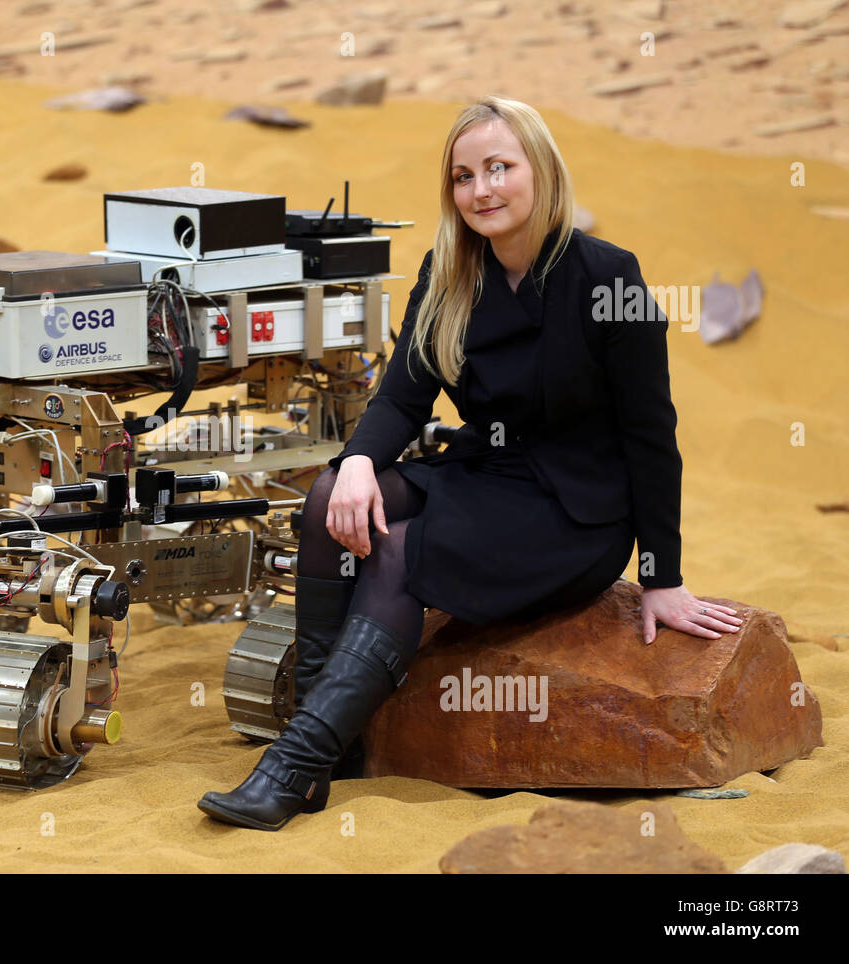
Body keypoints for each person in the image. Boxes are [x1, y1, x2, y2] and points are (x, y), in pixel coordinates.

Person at [198, 94, 744, 832]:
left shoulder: (608, 276)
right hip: (484, 472)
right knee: (331, 500)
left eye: (498, 167)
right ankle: (336, 751)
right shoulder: (451, 271)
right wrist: (358, 461)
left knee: (394, 553)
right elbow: (402, 395)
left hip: (574, 510)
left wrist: (662, 576)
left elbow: (653, 435)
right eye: (463, 175)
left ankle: (293, 766)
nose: (481, 189)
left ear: (540, 170)